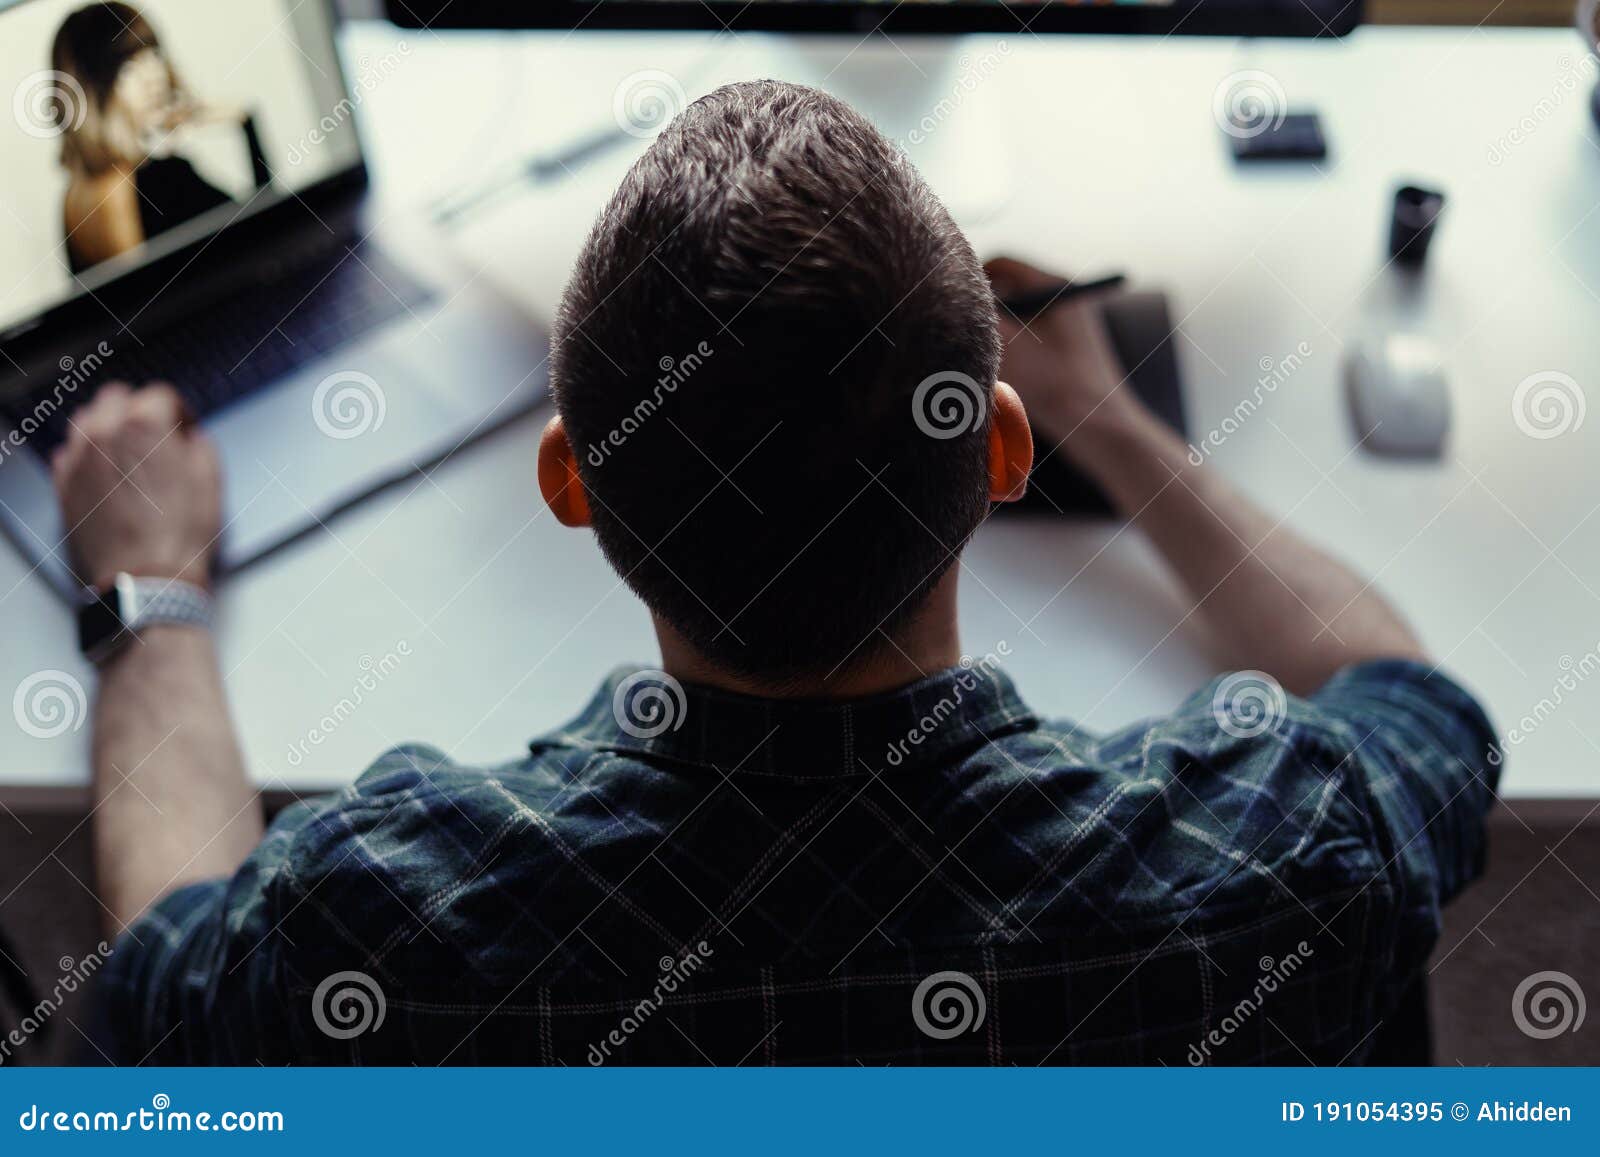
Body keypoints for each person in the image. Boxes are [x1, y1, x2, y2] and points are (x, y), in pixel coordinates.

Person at [60, 81, 1498, 1064]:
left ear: (571, 481)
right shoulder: (1288, 865)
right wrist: (1112, 425)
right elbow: (1413, 700)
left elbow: (151, 998)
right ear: (997, 451)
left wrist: (151, 592)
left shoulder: (376, 923)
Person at [50, 2, 258, 275]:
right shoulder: (163, 180)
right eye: (128, 66)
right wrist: (247, 124)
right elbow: (269, 240)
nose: (154, 77)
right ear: (94, 87)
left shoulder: (74, 196)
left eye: (153, 54)